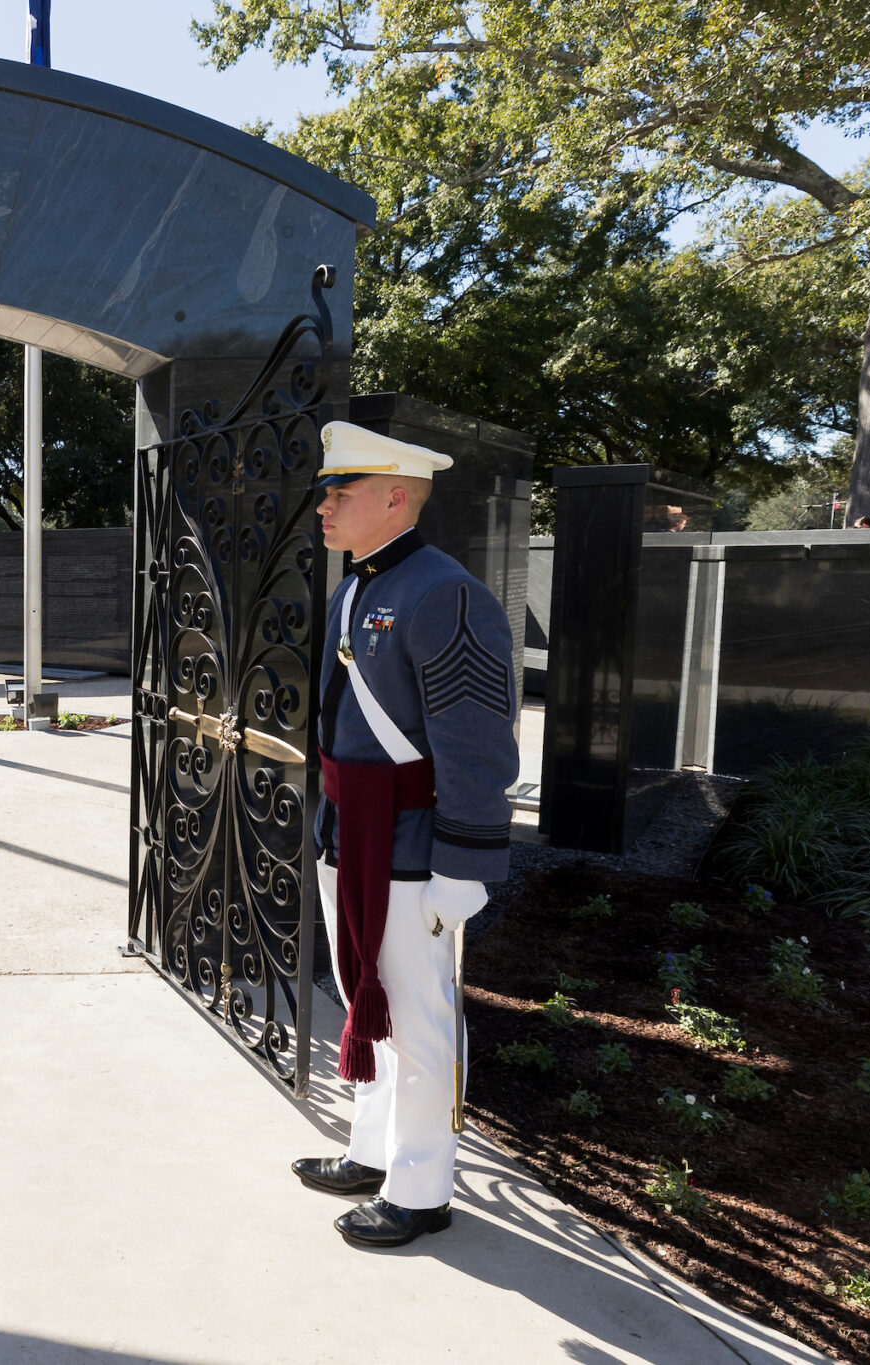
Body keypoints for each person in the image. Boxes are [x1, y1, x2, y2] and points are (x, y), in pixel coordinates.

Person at [292, 422, 519, 1250]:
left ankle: (422, 1186)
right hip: (351, 834)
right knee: (366, 1001)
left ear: (396, 497)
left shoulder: (442, 592)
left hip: (415, 844)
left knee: (420, 1020)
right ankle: (376, 1149)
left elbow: (477, 741)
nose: (324, 506)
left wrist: (466, 860)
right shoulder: (359, 588)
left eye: (339, 493)